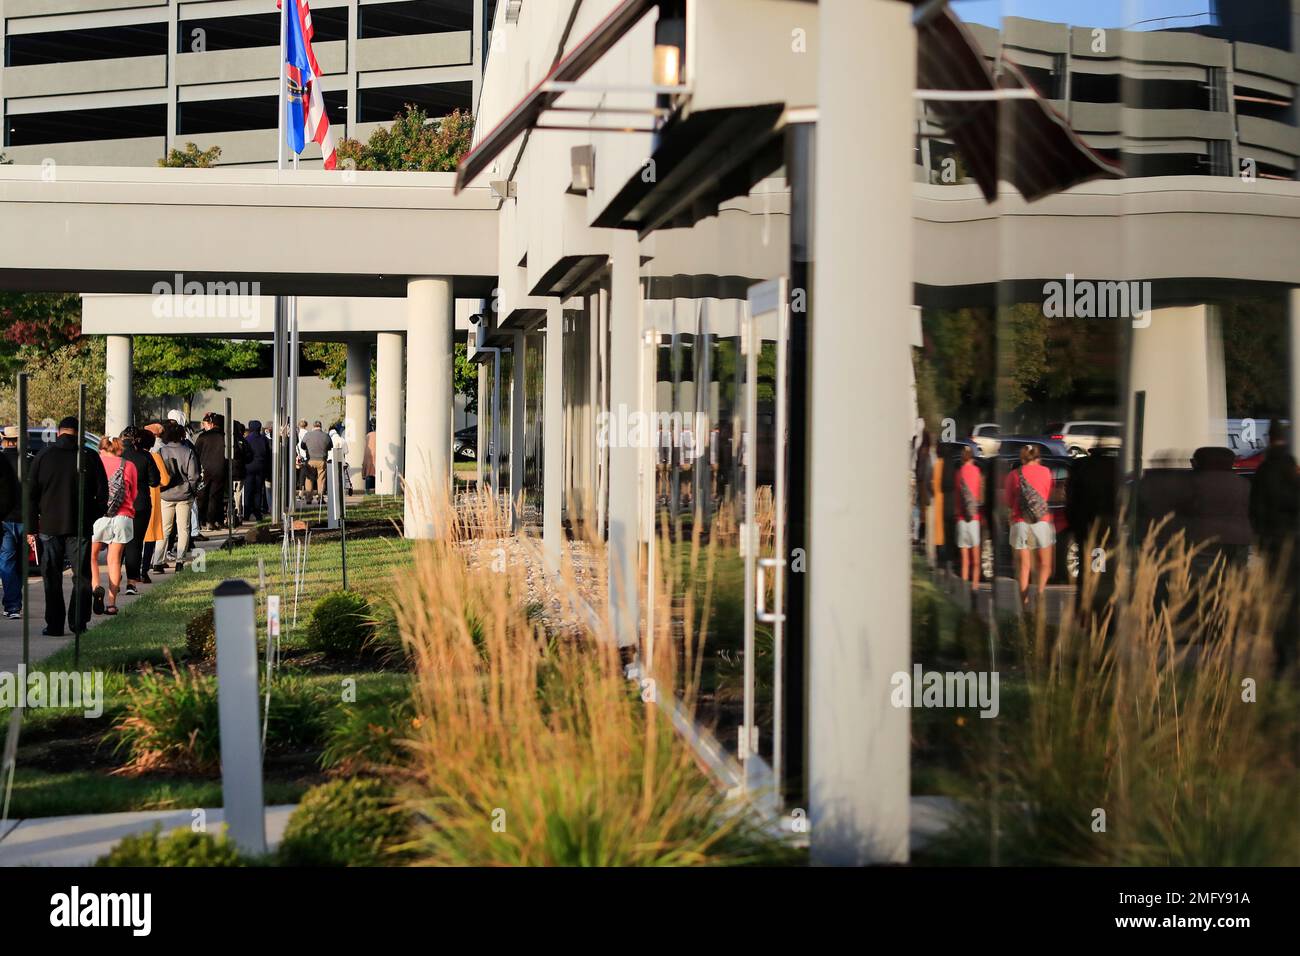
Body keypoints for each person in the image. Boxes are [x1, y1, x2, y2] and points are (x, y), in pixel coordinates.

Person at [29, 416, 107, 636]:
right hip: (80, 525)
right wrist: (91, 516)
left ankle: (54, 624)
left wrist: (31, 527)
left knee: (51, 576)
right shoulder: (89, 456)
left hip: (49, 526)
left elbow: (31, 494)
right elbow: (103, 494)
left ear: (58, 432)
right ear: (78, 433)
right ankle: (78, 621)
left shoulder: (43, 456)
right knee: (81, 576)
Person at [89, 435, 138, 616]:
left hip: (98, 516)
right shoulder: (129, 465)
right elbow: (133, 494)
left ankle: (95, 587)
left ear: (101, 448)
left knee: (92, 556)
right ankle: (111, 603)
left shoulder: (94, 462)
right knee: (115, 560)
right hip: (123, 517)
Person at [1005, 443, 1054, 608]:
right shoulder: (1046, 472)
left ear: (1022, 457)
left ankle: (1024, 604)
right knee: (1045, 563)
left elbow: (1009, 502)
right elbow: (1046, 496)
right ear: (1037, 456)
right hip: (1041, 522)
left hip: (1020, 522)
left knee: (1024, 566)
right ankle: (1040, 592)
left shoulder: (1013, 475)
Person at [153, 420, 200, 573]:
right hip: (184, 494)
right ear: (181, 435)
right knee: (183, 528)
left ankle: (158, 561)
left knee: (165, 530)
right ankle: (180, 561)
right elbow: (194, 476)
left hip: (166, 494)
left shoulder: (161, 451)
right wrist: (192, 491)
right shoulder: (188, 452)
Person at [119, 426, 160, 594]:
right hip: (141, 504)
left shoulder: (118, 456)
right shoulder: (145, 456)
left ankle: (115, 577)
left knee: (118, 544)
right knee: (135, 544)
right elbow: (154, 481)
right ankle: (131, 583)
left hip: (119, 505)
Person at [138, 428, 168, 581]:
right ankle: (144, 571)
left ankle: (134, 571)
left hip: (134, 499)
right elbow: (165, 479)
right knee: (150, 535)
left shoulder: (131, 456)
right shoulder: (155, 457)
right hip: (153, 497)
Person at [954, 446, 983, 603]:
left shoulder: (958, 474)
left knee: (964, 560)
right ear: (972, 457)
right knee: (976, 560)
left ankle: (964, 590)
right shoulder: (977, 472)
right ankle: (975, 588)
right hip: (974, 519)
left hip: (961, 519)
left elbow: (958, 497)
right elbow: (978, 496)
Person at [0, 427, 21, 619]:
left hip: (6, 518)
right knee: (22, 563)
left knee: (7, 562)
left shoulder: (1, 460)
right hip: (26, 518)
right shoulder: (29, 461)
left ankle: (13, 605)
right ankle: (15, 599)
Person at [194, 412, 228, 530]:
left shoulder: (203, 437)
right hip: (220, 469)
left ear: (212, 424)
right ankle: (210, 521)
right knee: (215, 497)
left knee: (202, 496)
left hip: (205, 470)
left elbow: (195, 453)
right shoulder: (225, 437)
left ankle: (200, 520)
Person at [243, 419, 270, 521]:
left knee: (248, 491)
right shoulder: (263, 439)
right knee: (258, 490)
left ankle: (246, 513)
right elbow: (267, 454)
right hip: (261, 467)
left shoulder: (247, 439)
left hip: (249, 467)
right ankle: (257, 511)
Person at [299, 420, 331, 505]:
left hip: (310, 460)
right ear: (320, 426)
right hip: (322, 460)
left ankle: (309, 498)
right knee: (321, 479)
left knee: (309, 479)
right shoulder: (326, 435)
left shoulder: (308, 435)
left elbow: (302, 446)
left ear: (313, 426)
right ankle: (320, 498)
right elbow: (330, 446)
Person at [363, 422, 376, 492]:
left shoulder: (368, 436)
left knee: (368, 475)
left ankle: (368, 492)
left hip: (369, 458)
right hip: (377, 457)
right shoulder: (379, 435)